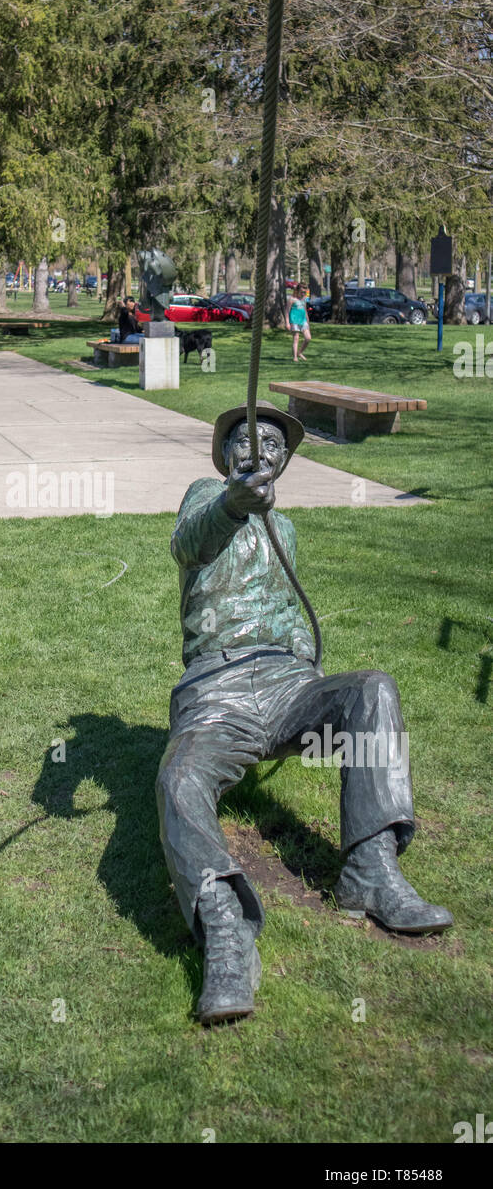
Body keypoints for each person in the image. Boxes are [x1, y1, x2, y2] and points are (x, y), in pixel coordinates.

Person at [156, 403, 453, 1025]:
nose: (261, 452)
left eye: (273, 444)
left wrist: (309, 676)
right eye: (247, 441)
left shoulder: (287, 531)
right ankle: (226, 928)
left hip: (288, 680)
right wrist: (233, 503)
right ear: (225, 454)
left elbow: (291, 612)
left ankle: (370, 871)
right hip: (217, 686)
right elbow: (189, 544)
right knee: (180, 778)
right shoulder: (207, 496)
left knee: (371, 689)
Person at [287, 284, 311, 361]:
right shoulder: (292, 299)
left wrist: (308, 321)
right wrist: (287, 323)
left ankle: (299, 352)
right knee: (296, 338)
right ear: (297, 291)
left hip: (303, 321)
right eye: (302, 292)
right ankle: (295, 357)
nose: (303, 294)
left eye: (304, 292)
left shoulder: (304, 299)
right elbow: (287, 312)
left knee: (308, 338)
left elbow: (305, 311)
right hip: (294, 321)